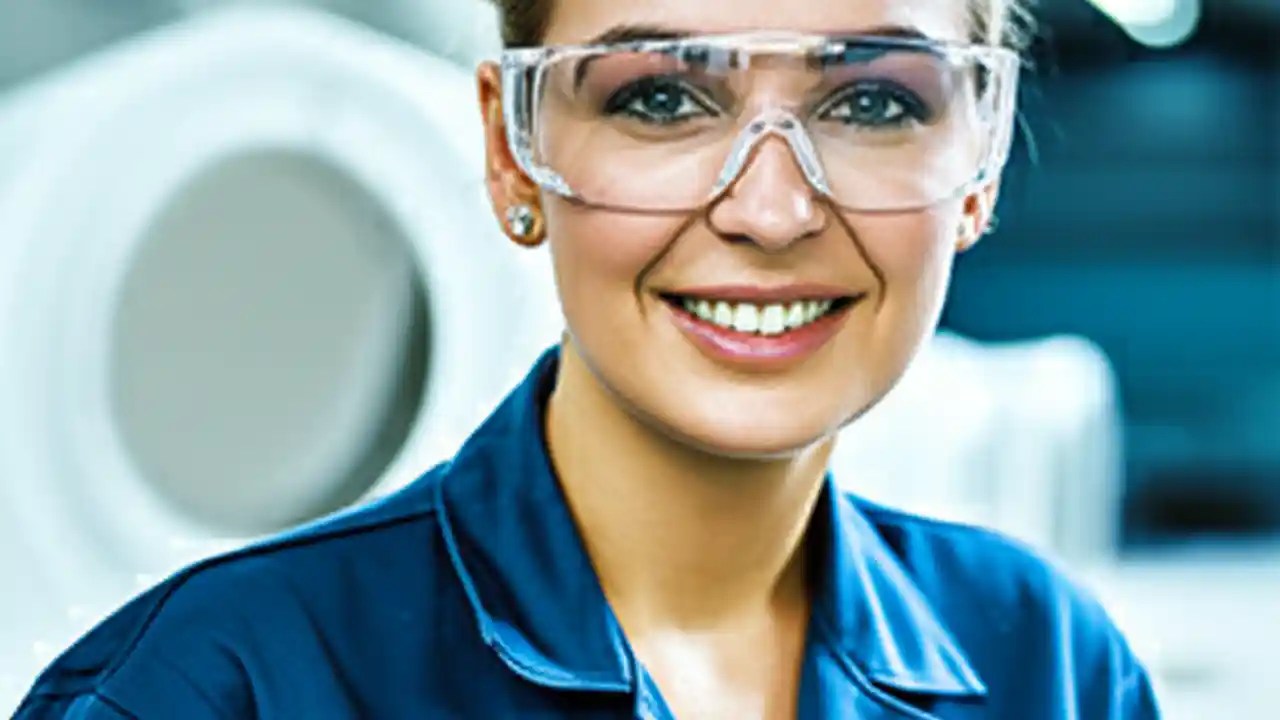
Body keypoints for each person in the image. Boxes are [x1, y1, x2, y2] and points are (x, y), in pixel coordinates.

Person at [15, 0, 1161, 718]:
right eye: (660, 99)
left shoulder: (1043, 664)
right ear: (512, 156)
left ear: (979, 169)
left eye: (870, 101)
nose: (769, 209)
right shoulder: (215, 688)